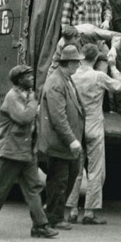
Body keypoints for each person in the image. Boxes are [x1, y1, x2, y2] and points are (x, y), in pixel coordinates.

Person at [0, 65, 58, 238]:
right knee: (0, 188)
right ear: (19, 80)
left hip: (26, 151)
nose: (32, 78)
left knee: (33, 188)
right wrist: (34, 101)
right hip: (11, 151)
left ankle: (40, 226)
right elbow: (23, 117)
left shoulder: (26, 95)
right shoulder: (12, 96)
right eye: (28, 76)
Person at [66, 44, 121, 224]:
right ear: (96, 59)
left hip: (76, 127)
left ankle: (72, 209)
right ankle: (89, 212)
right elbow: (119, 86)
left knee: (75, 170)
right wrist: (113, 67)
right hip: (94, 126)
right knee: (96, 170)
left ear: (81, 57)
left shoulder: (72, 76)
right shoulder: (99, 76)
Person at [38, 44, 84, 230]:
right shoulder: (57, 83)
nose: (79, 65)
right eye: (77, 62)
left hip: (64, 142)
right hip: (59, 143)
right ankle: (54, 217)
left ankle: (51, 210)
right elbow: (58, 117)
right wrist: (71, 140)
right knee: (59, 180)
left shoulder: (65, 79)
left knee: (67, 176)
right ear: (70, 63)